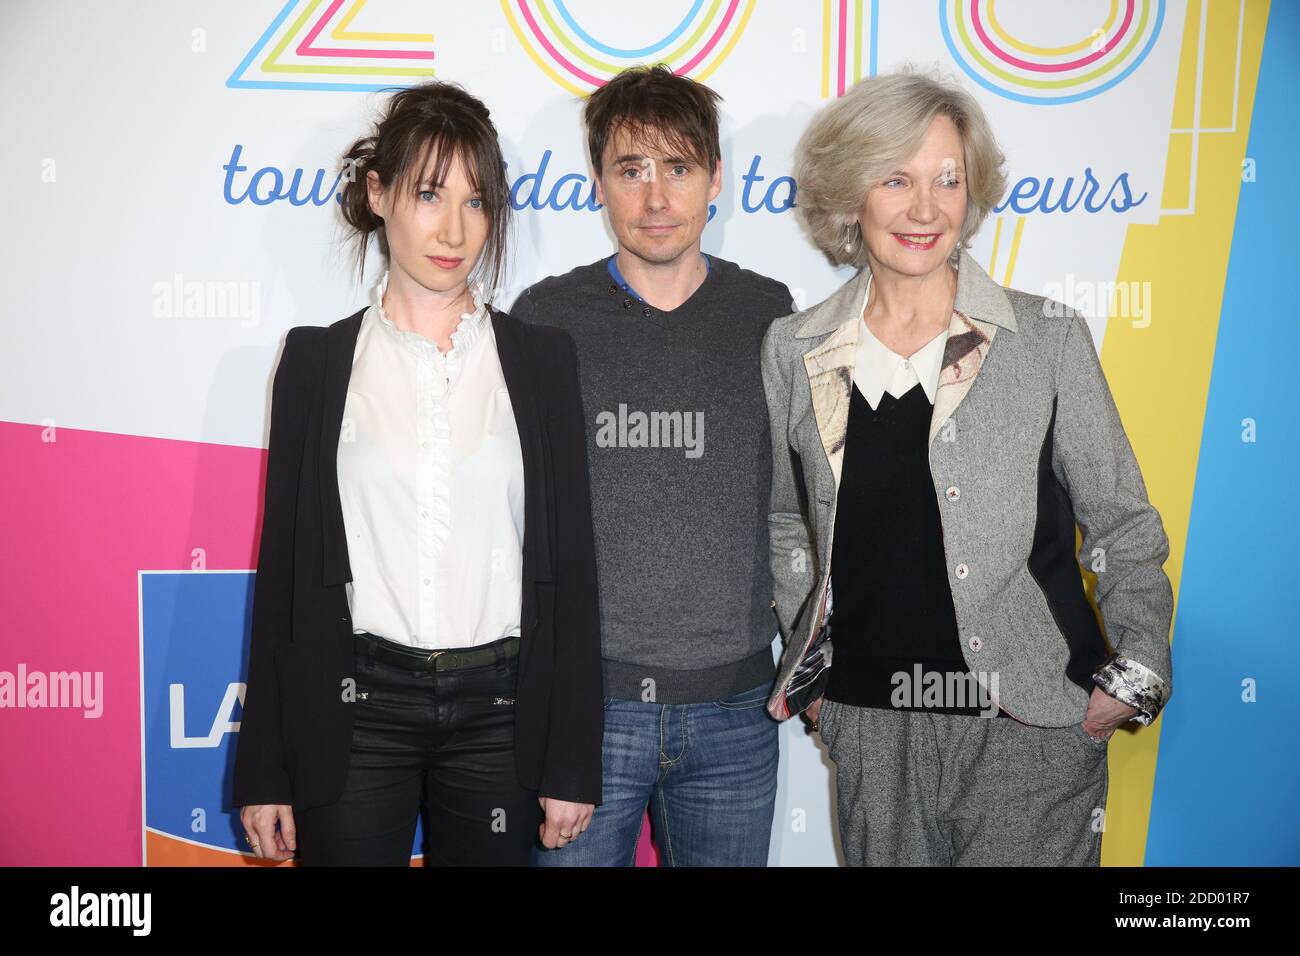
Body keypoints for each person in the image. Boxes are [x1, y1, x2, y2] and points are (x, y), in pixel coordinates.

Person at [763, 70, 1174, 866]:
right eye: (896, 179)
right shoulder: (795, 347)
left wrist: (1131, 679)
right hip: (872, 728)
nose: (926, 209)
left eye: (948, 180)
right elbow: (787, 524)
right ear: (851, 197)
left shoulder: (1046, 337)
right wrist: (814, 681)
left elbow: (1122, 522)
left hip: (1031, 727)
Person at [231, 81, 602, 866]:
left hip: (502, 714)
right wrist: (264, 767)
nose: (453, 228)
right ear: (378, 193)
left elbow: (571, 570)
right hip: (355, 711)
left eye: (476, 202)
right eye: (429, 193)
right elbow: (285, 579)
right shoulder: (316, 363)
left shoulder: (541, 362)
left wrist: (571, 758)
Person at [511, 65, 795, 866]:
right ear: (598, 182)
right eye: (631, 170)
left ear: (715, 181)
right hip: (586, 712)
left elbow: (805, 506)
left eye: (678, 168)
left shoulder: (771, 316)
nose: (656, 196)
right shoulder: (546, 320)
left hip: (738, 710)